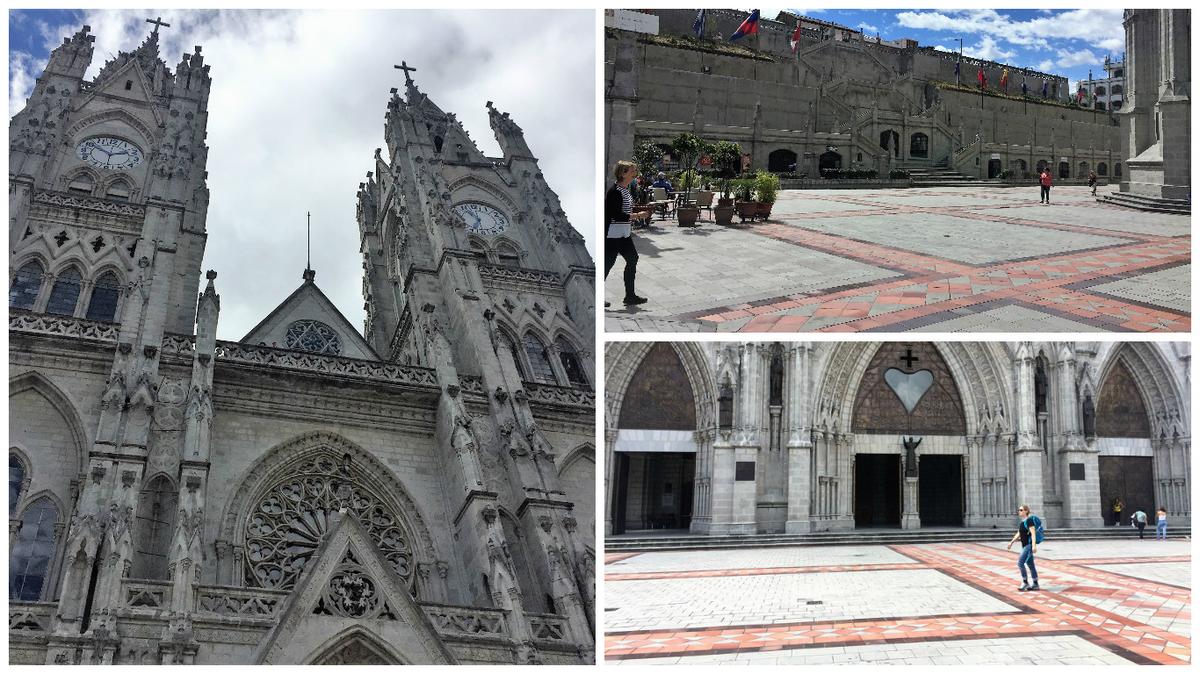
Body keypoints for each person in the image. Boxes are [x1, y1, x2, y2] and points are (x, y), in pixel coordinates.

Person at [605, 160, 648, 307]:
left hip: (623, 234)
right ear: (623, 173)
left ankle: (630, 296)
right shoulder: (615, 191)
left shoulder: (626, 190)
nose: (634, 174)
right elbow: (616, 215)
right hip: (612, 235)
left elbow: (625, 211)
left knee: (632, 259)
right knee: (607, 265)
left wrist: (637, 212)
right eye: (632, 171)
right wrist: (637, 216)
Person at [1006, 505, 1039, 591]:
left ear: (1026, 511)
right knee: (1030, 564)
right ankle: (1035, 583)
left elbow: (1033, 534)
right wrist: (1011, 542)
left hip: (1028, 546)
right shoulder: (1022, 522)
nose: (1019, 511)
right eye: (1019, 510)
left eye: (1021, 510)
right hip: (1024, 545)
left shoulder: (1029, 521)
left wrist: (1034, 546)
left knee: (1020, 563)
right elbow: (1019, 533)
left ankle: (1025, 582)